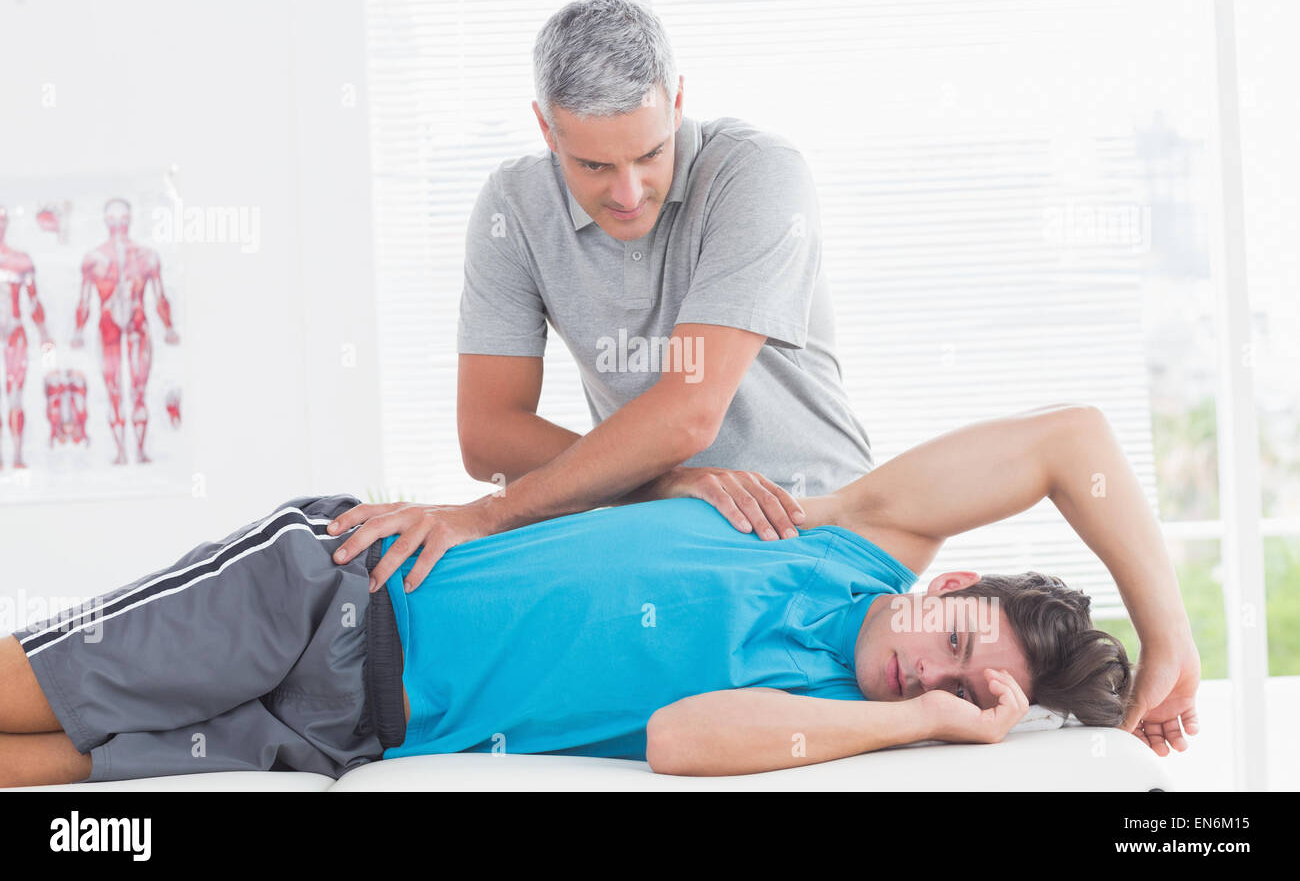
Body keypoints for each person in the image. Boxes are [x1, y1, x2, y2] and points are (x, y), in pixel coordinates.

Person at [0, 403, 1199, 786]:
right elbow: (1071, 438)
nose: (927, 670)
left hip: (343, 727)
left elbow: (680, 735)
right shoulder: (851, 534)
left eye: (960, 687)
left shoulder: (825, 717)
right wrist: (1170, 635)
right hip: (342, 586)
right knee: (32, 682)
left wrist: (928, 721)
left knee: (54, 762)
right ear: (949, 581)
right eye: (954, 639)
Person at [352, 0, 875, 593]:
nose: (628, 192)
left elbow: (688, 415)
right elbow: (488, 437)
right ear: (545, 127)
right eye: (594, 166)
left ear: (677, 102)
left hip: (822, 532)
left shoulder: (757, 172)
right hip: (670, 539)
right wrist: (666, 483)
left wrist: (490, 515)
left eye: (650, 154)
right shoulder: (514, 208)